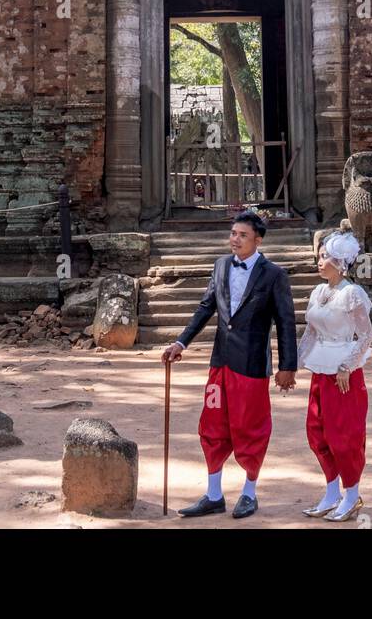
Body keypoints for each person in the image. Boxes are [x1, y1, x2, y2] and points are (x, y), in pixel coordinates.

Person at [161, 209, 298, 519]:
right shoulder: (221, 265)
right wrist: (181, 342)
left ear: (257, 240)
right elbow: (206, 307)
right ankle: (213, 494)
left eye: (242, 235)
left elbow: (286, 322)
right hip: (220, 362)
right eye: (233, 233)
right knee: (213, 425)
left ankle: (249, 493)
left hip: (251, 367)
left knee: (250, 428)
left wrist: (288, 365)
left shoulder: (274, 275)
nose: (235, 239)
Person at [298, 231, 372, 521]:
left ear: (341, 263)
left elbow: (366, 335)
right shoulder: (318, 292)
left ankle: (352, 494)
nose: (320, 261)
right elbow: (311, 332)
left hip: (344, 374)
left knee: (344, 437)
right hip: (320, 370)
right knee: (317, 434)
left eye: (325, 256)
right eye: (319, 256)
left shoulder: (352, 293)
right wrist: (294, 364)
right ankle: (332, 492)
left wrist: (346, 366)